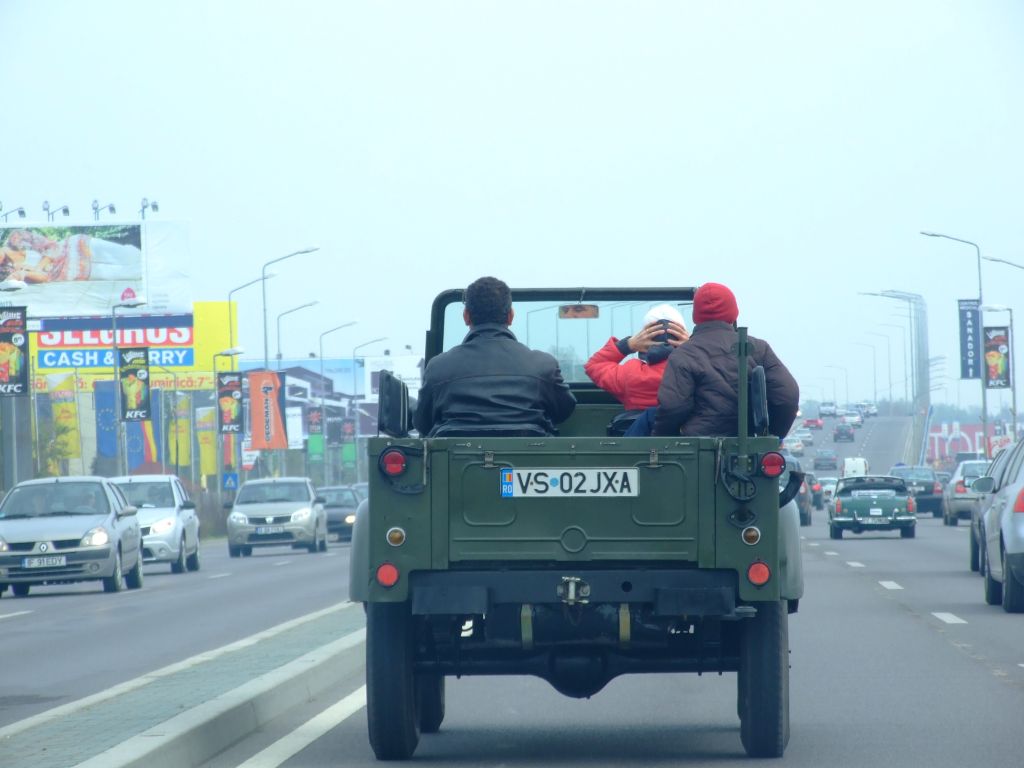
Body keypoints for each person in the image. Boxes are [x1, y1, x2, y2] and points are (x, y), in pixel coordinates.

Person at [414, 276, 577, 436]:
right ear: (510, 316)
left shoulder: (438, 367)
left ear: (466, 316)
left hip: (450, 461)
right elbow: (564, 410)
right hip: (534, 460)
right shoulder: (543, 365)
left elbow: (423, 423)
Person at [653, 282, 799, 438]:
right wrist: (772, 437)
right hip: (750, 446)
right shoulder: (758, 349)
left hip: (697, 450)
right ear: (734, 313)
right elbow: (787, 397)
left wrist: (661, 440)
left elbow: (672, 407)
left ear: (696, 316)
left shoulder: (683, 354)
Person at [584, 304, 689, 435]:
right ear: (682, 335)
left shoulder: (631, 373)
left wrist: (628, 345)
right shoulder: (693, 371)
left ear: (644, 337)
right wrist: (693, 346)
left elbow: (594, 365)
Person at [0, 229, 143, 283]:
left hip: (76, 247)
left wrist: (37, 267)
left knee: (128, 256)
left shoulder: (16, 237)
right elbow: (45, 278)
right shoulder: (8, 272)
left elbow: (52, 247)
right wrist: (23, 273)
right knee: (132, 274)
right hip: (75, 271)